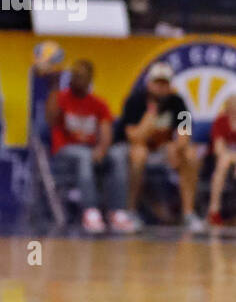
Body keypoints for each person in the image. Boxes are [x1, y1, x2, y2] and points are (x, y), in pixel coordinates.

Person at [46, 58, 134, 234]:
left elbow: (106, 130)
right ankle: (91, 211)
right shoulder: (61, 97)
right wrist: (54, 85)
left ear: (90, 79)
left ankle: (118, 212)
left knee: (118, 154)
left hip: (92, 151)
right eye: (75, 75)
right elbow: (51, 119)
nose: (78, 80)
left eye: (82, 76)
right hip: (66, 151)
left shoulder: (98, 103)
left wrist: (102, 149)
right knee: (84, 156)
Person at [116, 61, 202, 232]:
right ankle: (131, 211)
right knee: (139, 154)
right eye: (157, 83)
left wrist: (176, 147)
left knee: (191, 155)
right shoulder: (134, 101)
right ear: (149, 84)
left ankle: (188, 213)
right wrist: (151, 114)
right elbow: (134, 137)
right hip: (138, 148)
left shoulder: (178, 102)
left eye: (165, 83)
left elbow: (186, 131)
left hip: (165, 150)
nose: (161, 88)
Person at [205, 93, 236, 227]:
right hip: (221, 160)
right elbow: (219, 150)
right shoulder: (221, 121)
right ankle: (214, 210)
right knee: (223, 163)